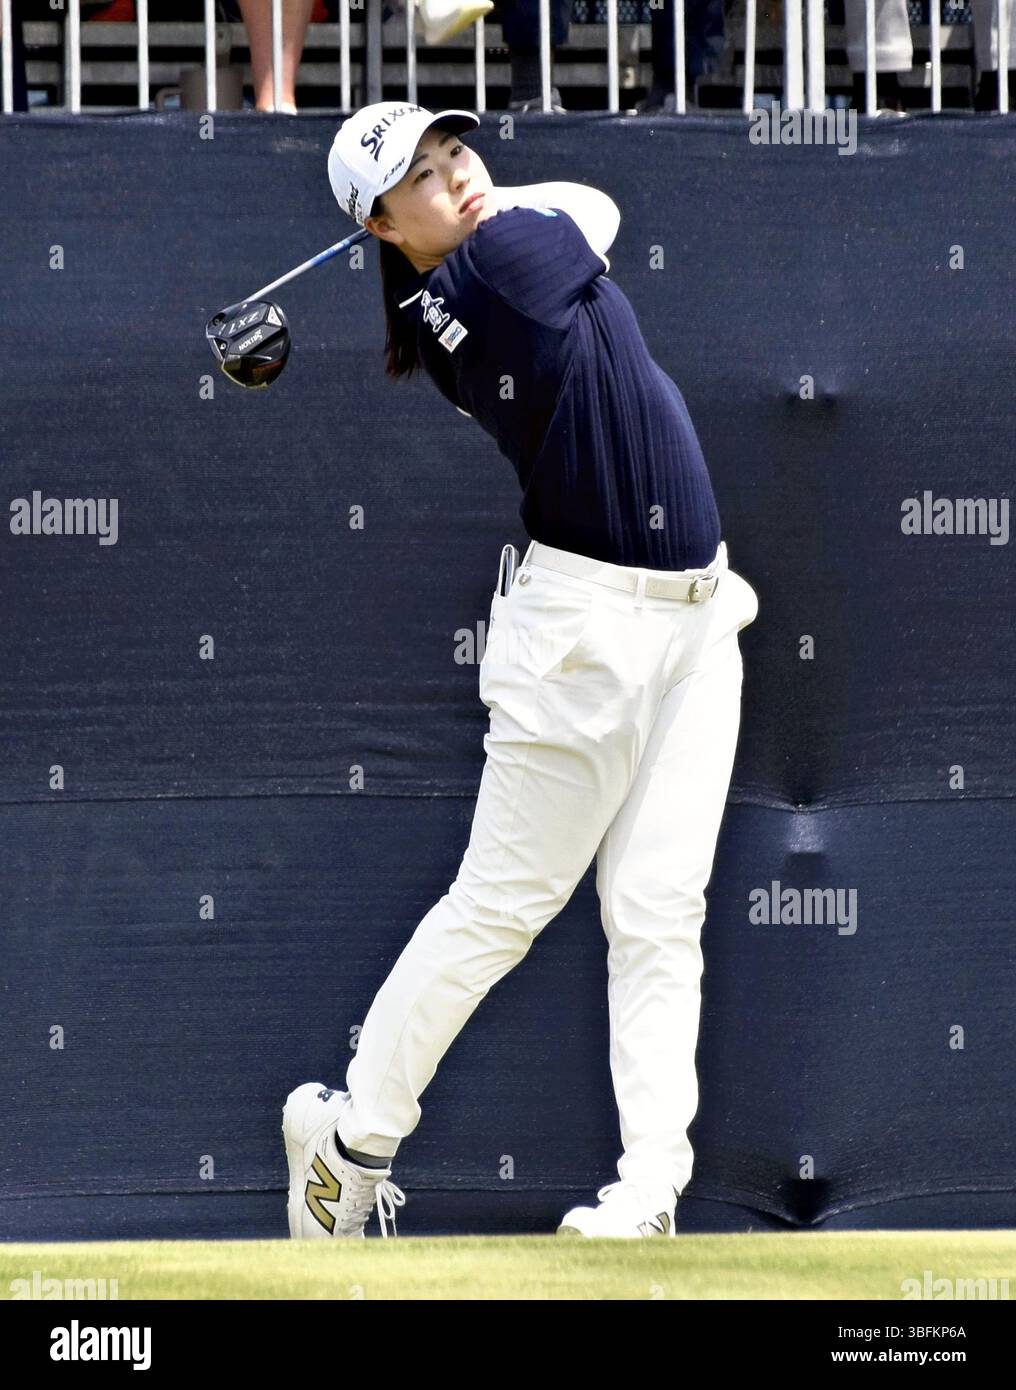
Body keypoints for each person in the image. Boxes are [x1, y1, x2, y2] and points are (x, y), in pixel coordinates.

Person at [281, 100, 759, 1240]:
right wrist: (493, 212)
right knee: (499, 909)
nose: (458, 176)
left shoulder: (466, 260)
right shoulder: (495, 262)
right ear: (385, 228)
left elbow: (581, 217)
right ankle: (350, 1144)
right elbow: (594, 205)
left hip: (694, 623)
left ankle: (647, 1192)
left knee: (657, 911)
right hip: (581, 642)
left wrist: (456, 206)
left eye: (456, 152)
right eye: (423, 179)